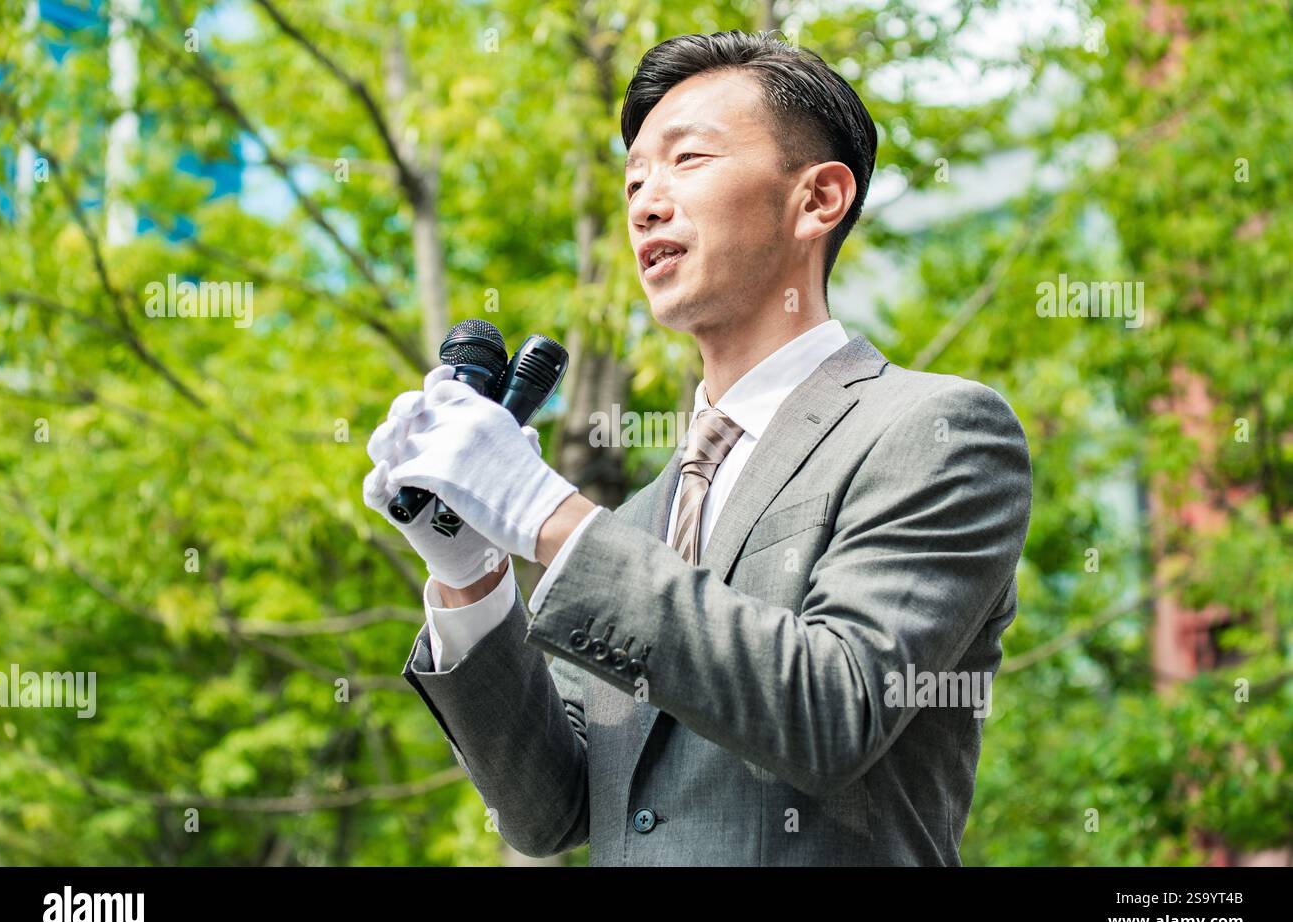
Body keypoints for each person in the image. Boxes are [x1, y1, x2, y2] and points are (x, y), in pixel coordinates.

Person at [363, 31, 1032, 865]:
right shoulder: (643, 518)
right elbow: (548, 812)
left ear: (819, 199)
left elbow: (836, 707)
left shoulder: (935, 432)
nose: (645, 202)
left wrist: (541, 513)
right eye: (635, 178)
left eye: (689, 160)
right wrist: (472, 580)